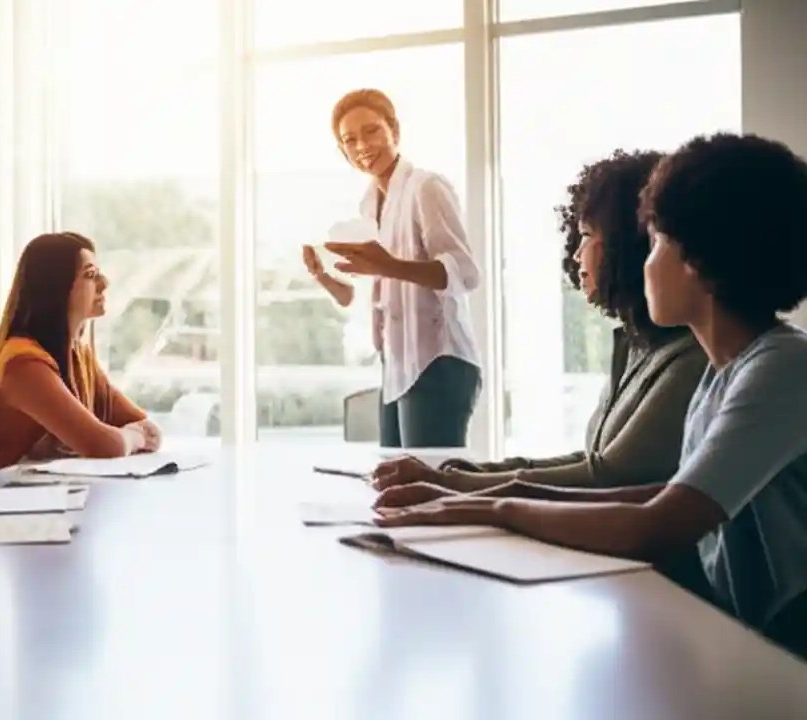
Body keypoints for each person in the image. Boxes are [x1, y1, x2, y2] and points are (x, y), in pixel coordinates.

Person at [374, 133, 807, 657]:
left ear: (701, 259)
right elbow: (656, 494)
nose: (646, 262)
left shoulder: (780, 367)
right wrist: (472, 500)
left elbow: (657, 524)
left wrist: (492, 508)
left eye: (660, 243)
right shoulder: (727, 371)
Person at [372, 150, 706, 492]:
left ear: (631, 242)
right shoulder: (636, 347)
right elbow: (593, 459)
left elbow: (607, 475)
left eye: (587, 234)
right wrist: (467, 473)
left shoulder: (689, 358)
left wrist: (455, 484)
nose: (576, 253)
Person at [302, 88, 481, 448]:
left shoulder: (426, 187)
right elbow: (354, 295)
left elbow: (464, 272)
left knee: (427, 489)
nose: (362, 146)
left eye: (371, 131)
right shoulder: (370, 204)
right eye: (349, 140)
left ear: (394, 130)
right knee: (394, 482)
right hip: (397, 363)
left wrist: (390, 265)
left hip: (438, 360)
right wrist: (322, 275)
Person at [0, 232, 160, 480]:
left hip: (36, 504)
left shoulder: (78, 354)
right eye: (91, 275)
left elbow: (147, 428)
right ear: (55, 288)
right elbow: (105, 445)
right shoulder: (22, 362)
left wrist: (128, 436)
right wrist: (133, 437)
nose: (104, 282)